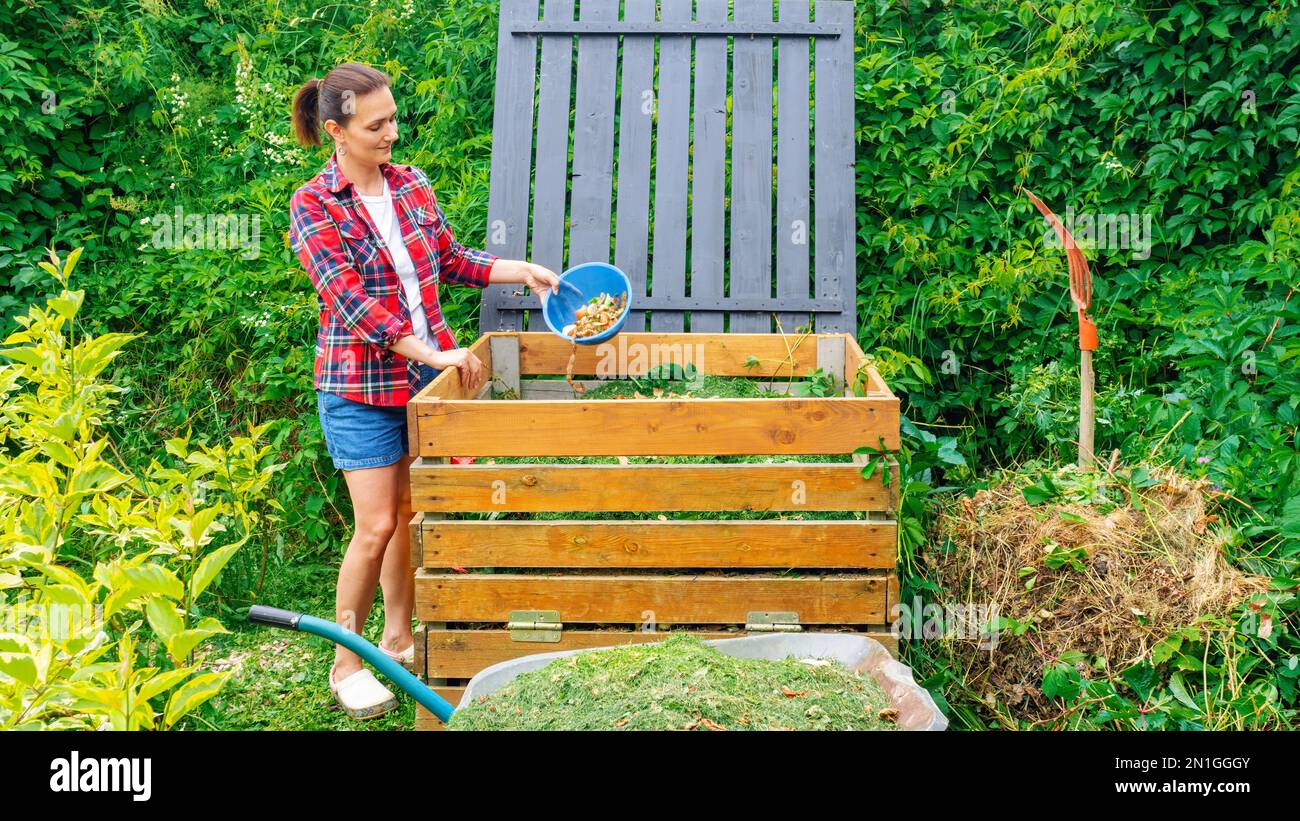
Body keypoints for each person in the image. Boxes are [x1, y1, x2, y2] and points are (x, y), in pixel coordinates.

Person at [288, 62, 559, 719]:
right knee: (376, 523)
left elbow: (450, 258)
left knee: (411, 512)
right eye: (375, 125)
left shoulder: (410, 185)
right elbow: (352, 307)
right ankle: (345, 661)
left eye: (393, 119)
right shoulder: (314, 206)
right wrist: (430, 348)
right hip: (359, 386)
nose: (391, 134)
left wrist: (518, 270)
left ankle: (399, 637)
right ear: (336, 131)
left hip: (425, 384)